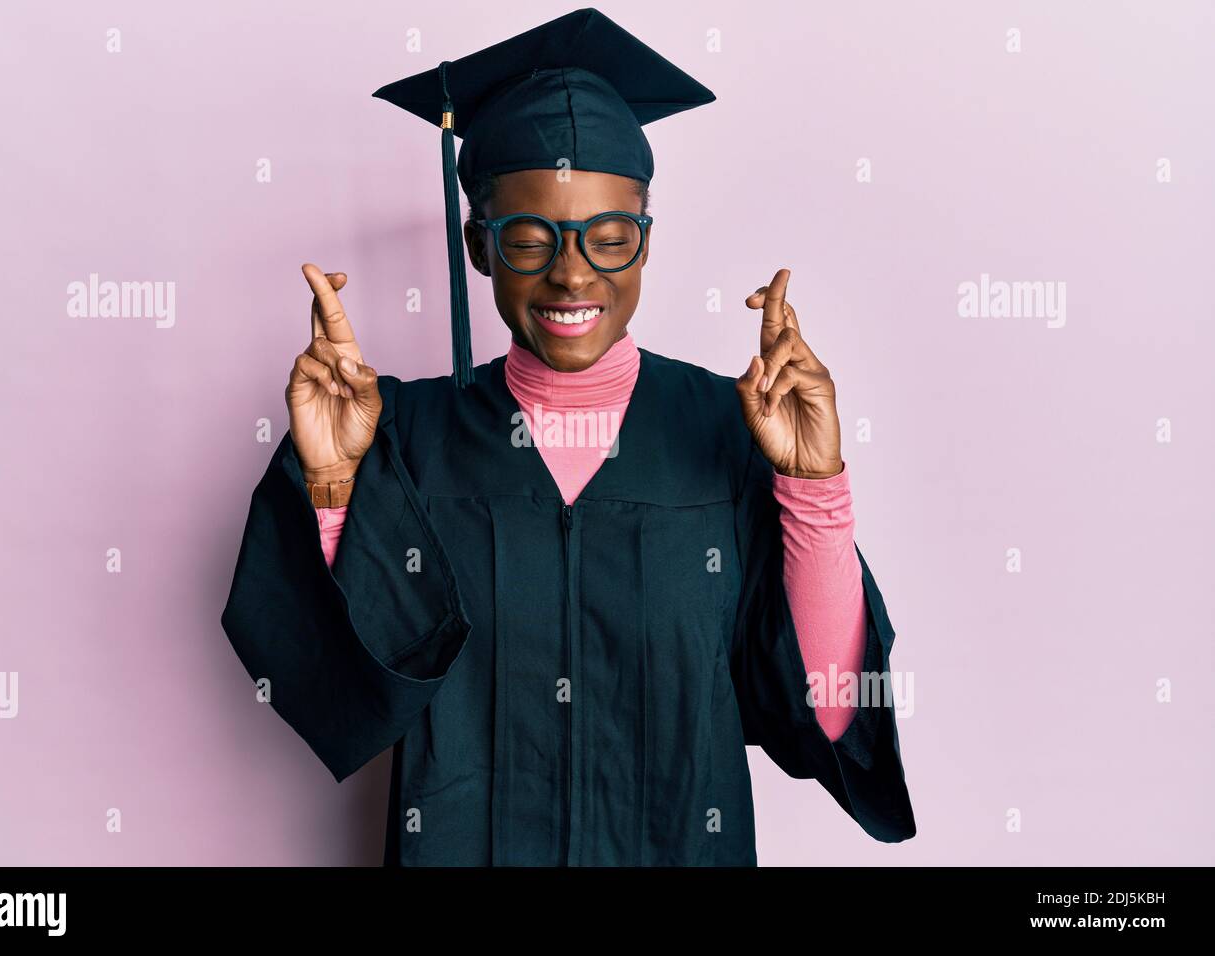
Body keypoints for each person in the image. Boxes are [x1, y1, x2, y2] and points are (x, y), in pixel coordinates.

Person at [221, 7, 915, 866]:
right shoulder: (401, 438)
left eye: (609, 237)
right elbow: (350, 692)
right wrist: (333, 486)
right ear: (477, 245)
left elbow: (831, 709)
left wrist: (814, 489)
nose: (574, 270)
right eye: (528, 236)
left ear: (646, 244)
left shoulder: (730, 434)